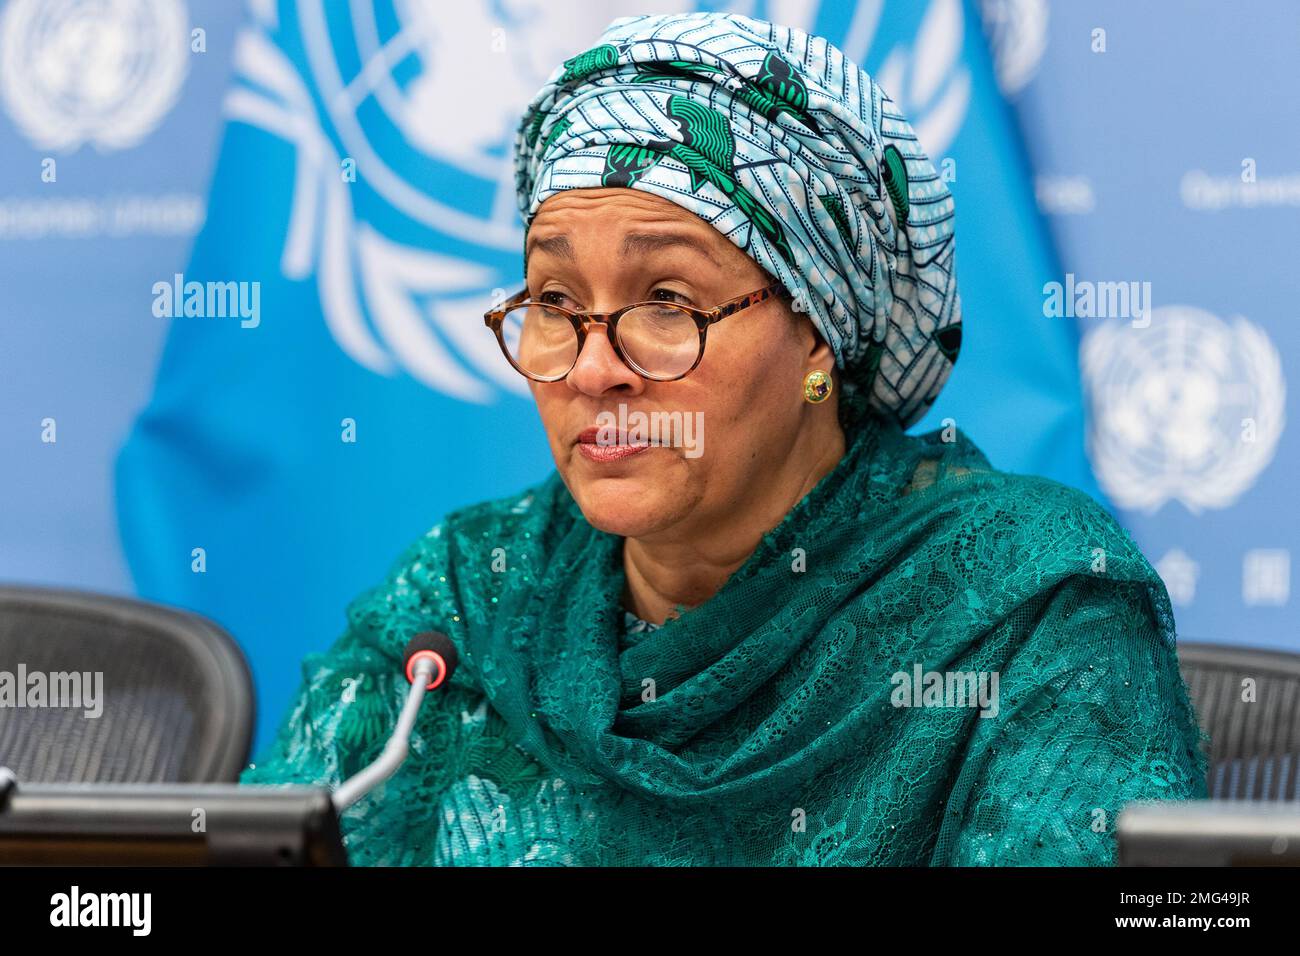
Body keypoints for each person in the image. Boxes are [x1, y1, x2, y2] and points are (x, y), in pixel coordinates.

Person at [241, 11, 1208, 865]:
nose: (590, 367)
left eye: (667, 300)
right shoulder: (467, 598)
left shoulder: (1025, 612)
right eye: (553, 301)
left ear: (821, 335)